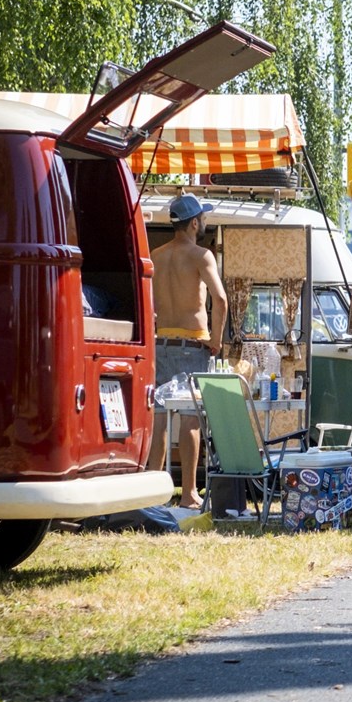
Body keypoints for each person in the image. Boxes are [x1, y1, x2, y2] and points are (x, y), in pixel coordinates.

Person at [149, 193, 228, 509]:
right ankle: (188, 493)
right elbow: (219, 300)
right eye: (202, 218)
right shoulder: (201, 255)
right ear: (194, 222)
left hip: (160, 342)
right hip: (191, 345)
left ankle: (153, 491)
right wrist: (217, 340)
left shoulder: (156, 255)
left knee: (158, 418)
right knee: (190, 419)